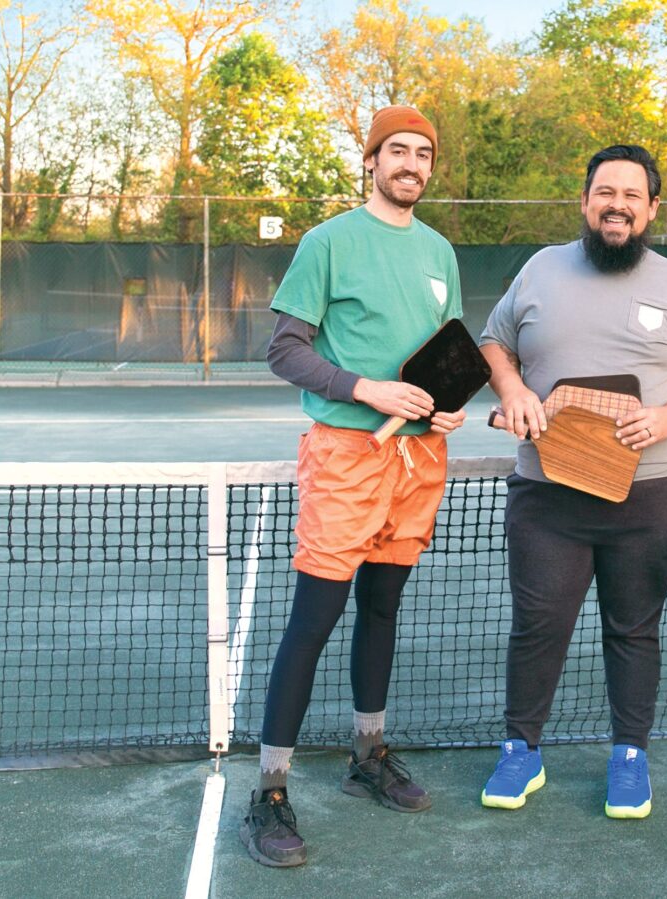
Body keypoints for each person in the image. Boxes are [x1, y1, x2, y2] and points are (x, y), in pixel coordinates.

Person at [477, 144, 667, 819]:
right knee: (538, 624)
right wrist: (512, 387)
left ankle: (629, 757)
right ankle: (521, 749)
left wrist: (665, 417)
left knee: (634, 628)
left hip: (651, 495)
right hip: (547, 493)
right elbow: (494, 343)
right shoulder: (537, 269)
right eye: (604, 192)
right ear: (585, 201)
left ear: (652, 208)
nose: (616, 204)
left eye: (631, 194)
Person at [240, 106, 466, 868]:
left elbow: (447, 352)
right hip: (345, 455)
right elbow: (285, 350)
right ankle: (269, 788)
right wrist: (368, 388)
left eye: (423, 153)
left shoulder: (439, 251)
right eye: (397, 150)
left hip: (420, 459)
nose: (411, 163)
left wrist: (445, 401)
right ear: (372, 161)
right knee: (316, 617)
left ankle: (367, 752)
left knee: (383, 607)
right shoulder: (328, 241)